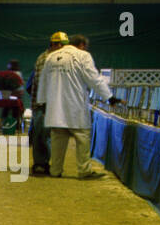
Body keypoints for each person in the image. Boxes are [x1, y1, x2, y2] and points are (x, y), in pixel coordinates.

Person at [38, 36, 112, 178]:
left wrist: (42, 101)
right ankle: (84, 171)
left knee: (57, 139)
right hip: (75, 105)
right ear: (82, 45)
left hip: (55, 107)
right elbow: (94, 79)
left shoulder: (51, 57)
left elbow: (43, 81)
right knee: (82, 137)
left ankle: (55, 170)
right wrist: (109, 96)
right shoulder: (83, 55)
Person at [26, 32, 66, 175]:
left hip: (46, 103)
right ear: (54, 45)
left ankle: (44, 163)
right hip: (44, 104)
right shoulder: (46, 59)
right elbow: (46, 85)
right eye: (61, 45)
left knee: (44, 134)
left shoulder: (50, 57)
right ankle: (40, 164)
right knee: (42, 135)